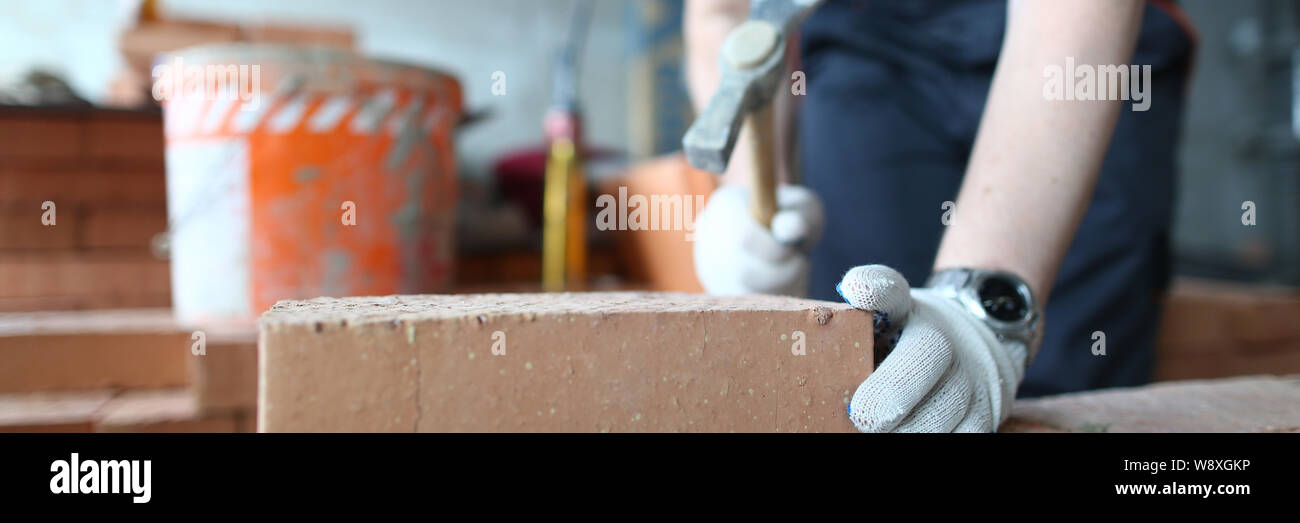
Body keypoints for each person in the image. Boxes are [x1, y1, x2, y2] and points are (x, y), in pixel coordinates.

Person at [685, 0, 1194, 432]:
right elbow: (725, 14)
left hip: (1079, 46)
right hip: (869, 42)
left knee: (1070, 380)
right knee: (868, 359)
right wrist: (751, 200)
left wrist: (983, 304)